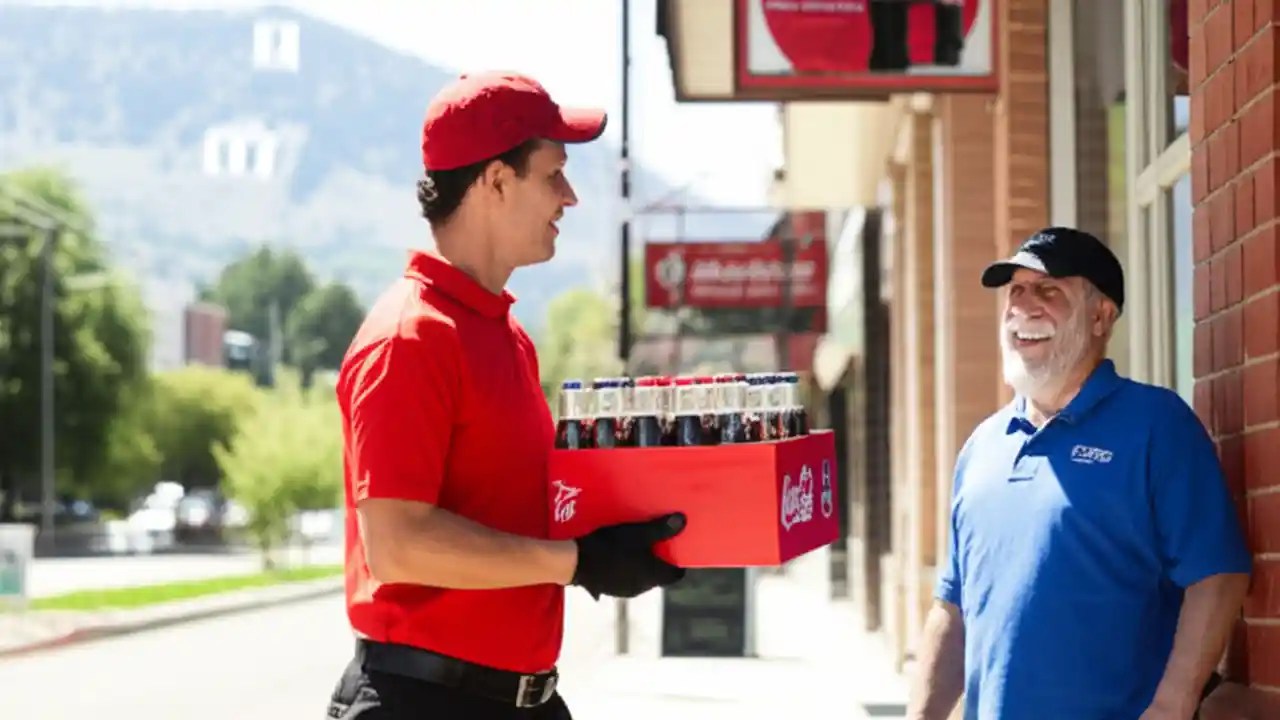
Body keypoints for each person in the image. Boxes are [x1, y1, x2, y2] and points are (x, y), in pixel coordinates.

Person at [323, 71, 688, 720]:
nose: (569, 197)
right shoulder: (410, 337)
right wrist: (578, 563)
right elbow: (398, 544)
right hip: (424, 704)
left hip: (522, 700)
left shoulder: (505, 335)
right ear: (495, 181)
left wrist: (618, 537)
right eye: (553, 175)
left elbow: (512, 509)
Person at [906, 227, 1252, 720]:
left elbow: (1218, 575)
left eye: (1049, 292)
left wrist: (1171, 705)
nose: (1023, 308)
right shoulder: (981, 448)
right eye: (1017, 291)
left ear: (1100, 316)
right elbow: (953, 607)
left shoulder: (1157, 424)